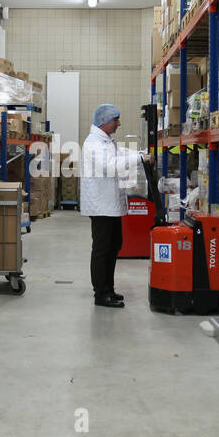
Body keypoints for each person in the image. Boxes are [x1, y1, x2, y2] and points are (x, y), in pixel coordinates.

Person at [80, 103, 152, 308]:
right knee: (102, 249)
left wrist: (140, 154)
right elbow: (110, 165)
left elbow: (119, 155)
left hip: (109, 204)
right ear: (104, 121)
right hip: (101, 205)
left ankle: (108, 289)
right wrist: (139, 158)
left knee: (113, 246)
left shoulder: (106, 141)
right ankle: (101, 294)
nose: (119, 123)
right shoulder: (93, 143)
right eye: (116, 120)